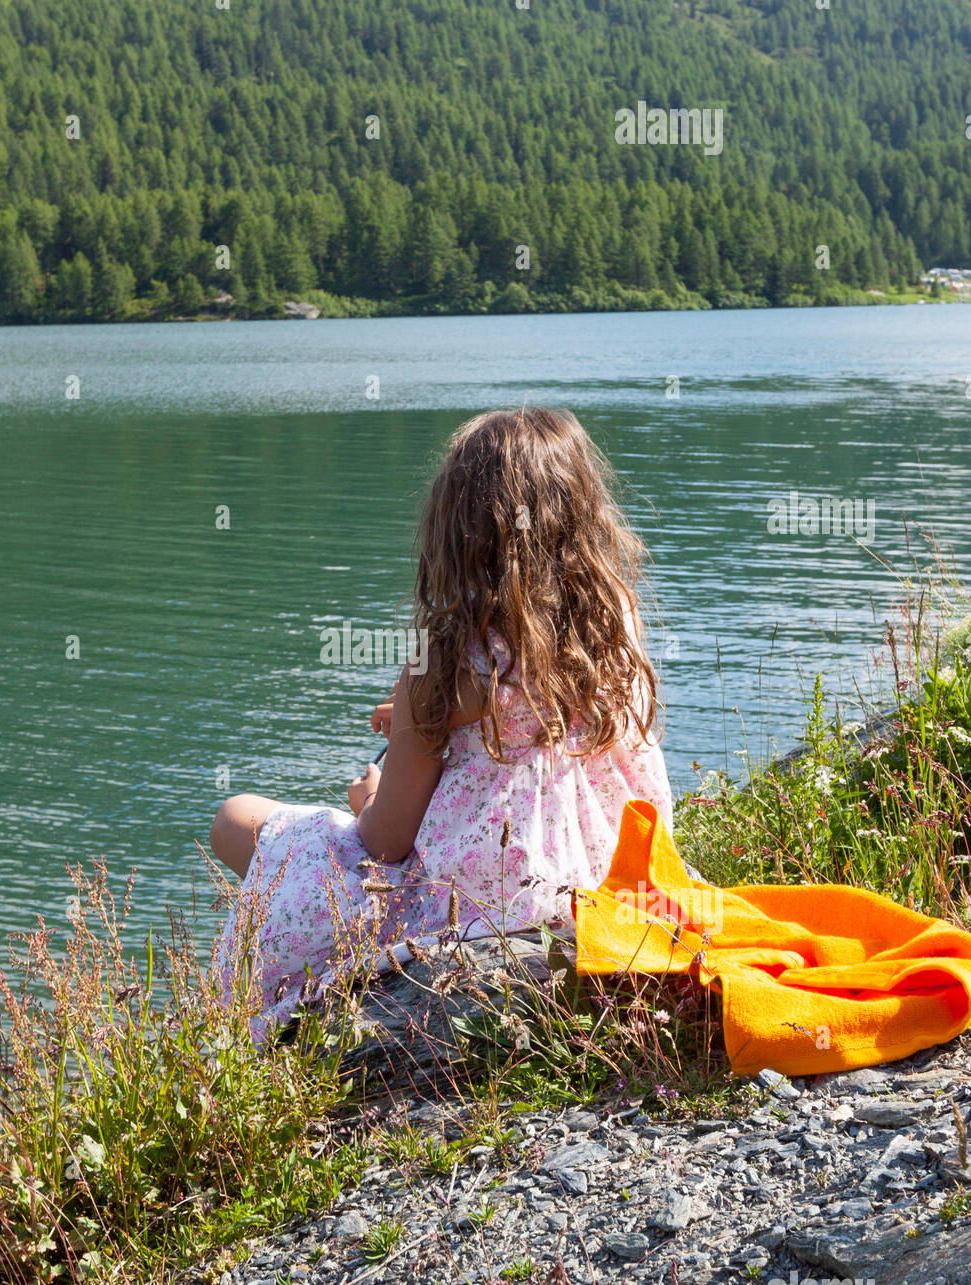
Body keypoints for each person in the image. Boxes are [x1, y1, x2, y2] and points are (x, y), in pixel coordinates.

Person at [210, 406, 673, 1037]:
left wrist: (375, 787)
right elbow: (533, 711)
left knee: (236, 818)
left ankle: (267, 1011)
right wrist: (412, 717)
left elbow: (386, 842)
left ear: (456, 534)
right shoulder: (612, 623)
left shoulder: (446, 665)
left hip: (475, 912)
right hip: (614, 888)